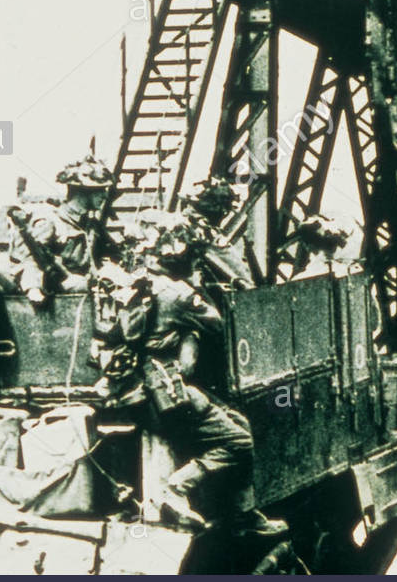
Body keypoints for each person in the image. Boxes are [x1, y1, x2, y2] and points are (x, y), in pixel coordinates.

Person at [96, 213, 285, 538]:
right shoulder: (180, 293)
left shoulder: (130, 285)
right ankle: (176, 488)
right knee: (239, 441)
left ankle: (244, 514)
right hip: (166, 393)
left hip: (132, 389)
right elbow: (221, 325)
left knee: (238, 421)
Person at [6, 155, 113, 301]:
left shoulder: (91, 225)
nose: (104, 196)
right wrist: (33, 288)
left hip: (87, 295)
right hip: (58, 297)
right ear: (82, 192)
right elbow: (31, 257)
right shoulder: (51, 221)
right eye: (99, 190)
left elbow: (108, 255)